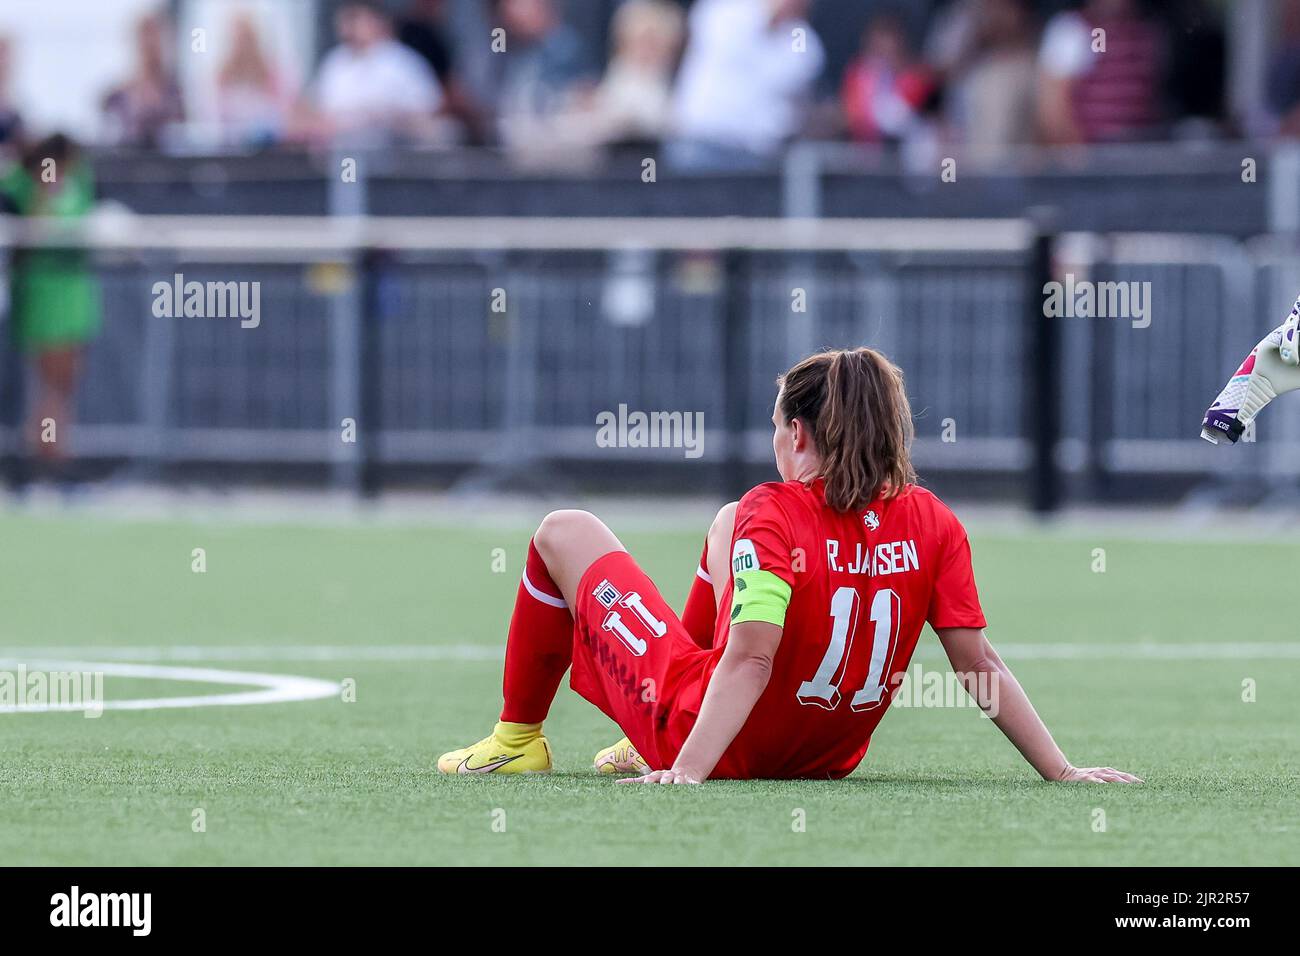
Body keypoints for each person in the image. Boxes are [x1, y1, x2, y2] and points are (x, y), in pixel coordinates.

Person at [439, 348, 1142, 785]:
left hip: (710, 742)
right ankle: (639, 739)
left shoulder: (773, 510)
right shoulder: (932, 519)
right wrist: (1063, 769)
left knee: (565, 529)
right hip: (820, 759)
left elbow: (749, 661)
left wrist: (685, 769)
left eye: (778, 425)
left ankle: (517, 741)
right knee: (724, 527)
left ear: (798, 433)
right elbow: (975, 662)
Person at [0, 134, 100, 478]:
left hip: (74, 293)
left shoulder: (79, 180)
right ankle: (46, 456)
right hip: (44, 294)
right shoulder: (33, 179)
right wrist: (46, 184)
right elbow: (36, 223)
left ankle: (54, 452)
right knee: (49, 385)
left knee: (64, 383)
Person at [667, 0, 825, 170]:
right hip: (700, 143)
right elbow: (730, 41)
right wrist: (768, 15)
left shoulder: (803, 40)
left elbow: (796, 82)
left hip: (757, 155)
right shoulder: (725, 11)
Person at [299, 0, 443, 145]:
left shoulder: (401, 61)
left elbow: (430, 112)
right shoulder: (335, 62)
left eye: (354, 19)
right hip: (342, 150)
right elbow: (313, 109)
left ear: (375, 21)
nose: (348, 28)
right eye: (344, 20)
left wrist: (378, 117)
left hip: (393, 148)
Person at [1037, 0, 1165, 145]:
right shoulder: (1074, 30)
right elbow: (1054, 112)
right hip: (1094, 154)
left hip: (1139, 153)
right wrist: (1084, 159)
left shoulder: (1149, 32)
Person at [101, 12, 185, 148]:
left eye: (156, 35)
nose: (150, 43)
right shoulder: (115, 97)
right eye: (145, 35)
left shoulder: (176, 96)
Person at [214, 13, 293, 148]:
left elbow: (281, 113)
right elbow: (218, 115)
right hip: (232, 146)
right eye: (237, 40)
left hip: (267, 145)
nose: (241, 45)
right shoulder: (223, 75)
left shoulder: (269, 72)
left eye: (245, 39)